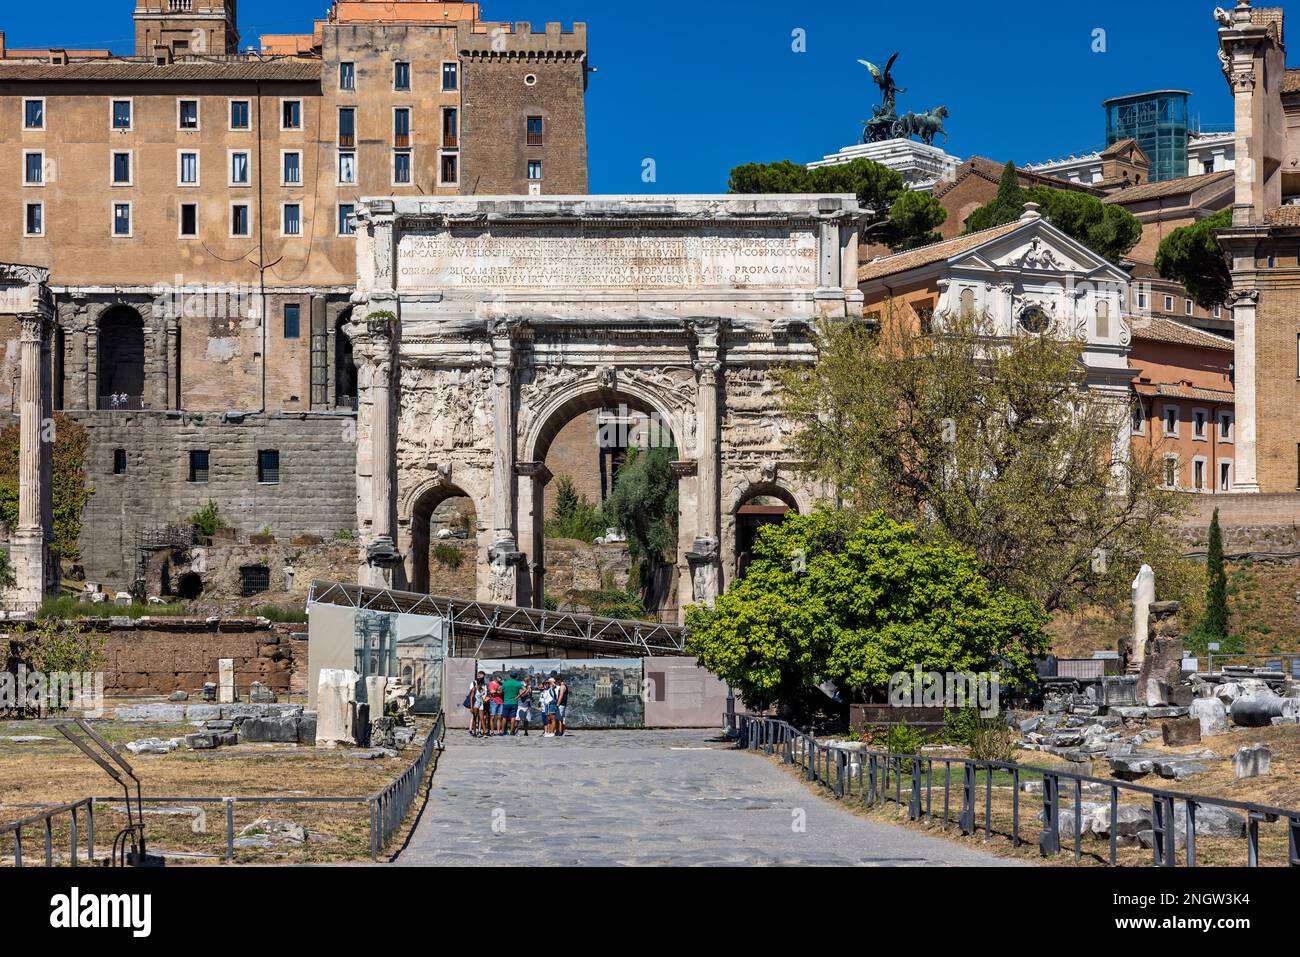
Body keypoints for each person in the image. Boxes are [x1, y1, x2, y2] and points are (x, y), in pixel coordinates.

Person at [502, 670, 523, 735]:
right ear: (516, 676)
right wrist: (518, 696)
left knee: (504, 717)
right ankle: (511, 732)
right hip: (514, 702)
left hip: (506, 702)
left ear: (510, 676)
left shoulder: (505, 683)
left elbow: (500, 690)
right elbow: (525, 689)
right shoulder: (518, 683)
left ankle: (503, 731)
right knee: (513, 717)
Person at [469, 671, 486, 737]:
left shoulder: (483, 685)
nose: (481, 683)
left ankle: (484, 732)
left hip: (481, 702)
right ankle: (475, 732)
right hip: (475, 703)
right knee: (475, 717)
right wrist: (471, 707)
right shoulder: (474, 686)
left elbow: (485, 693)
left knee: (482, 718)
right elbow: (471, 697)